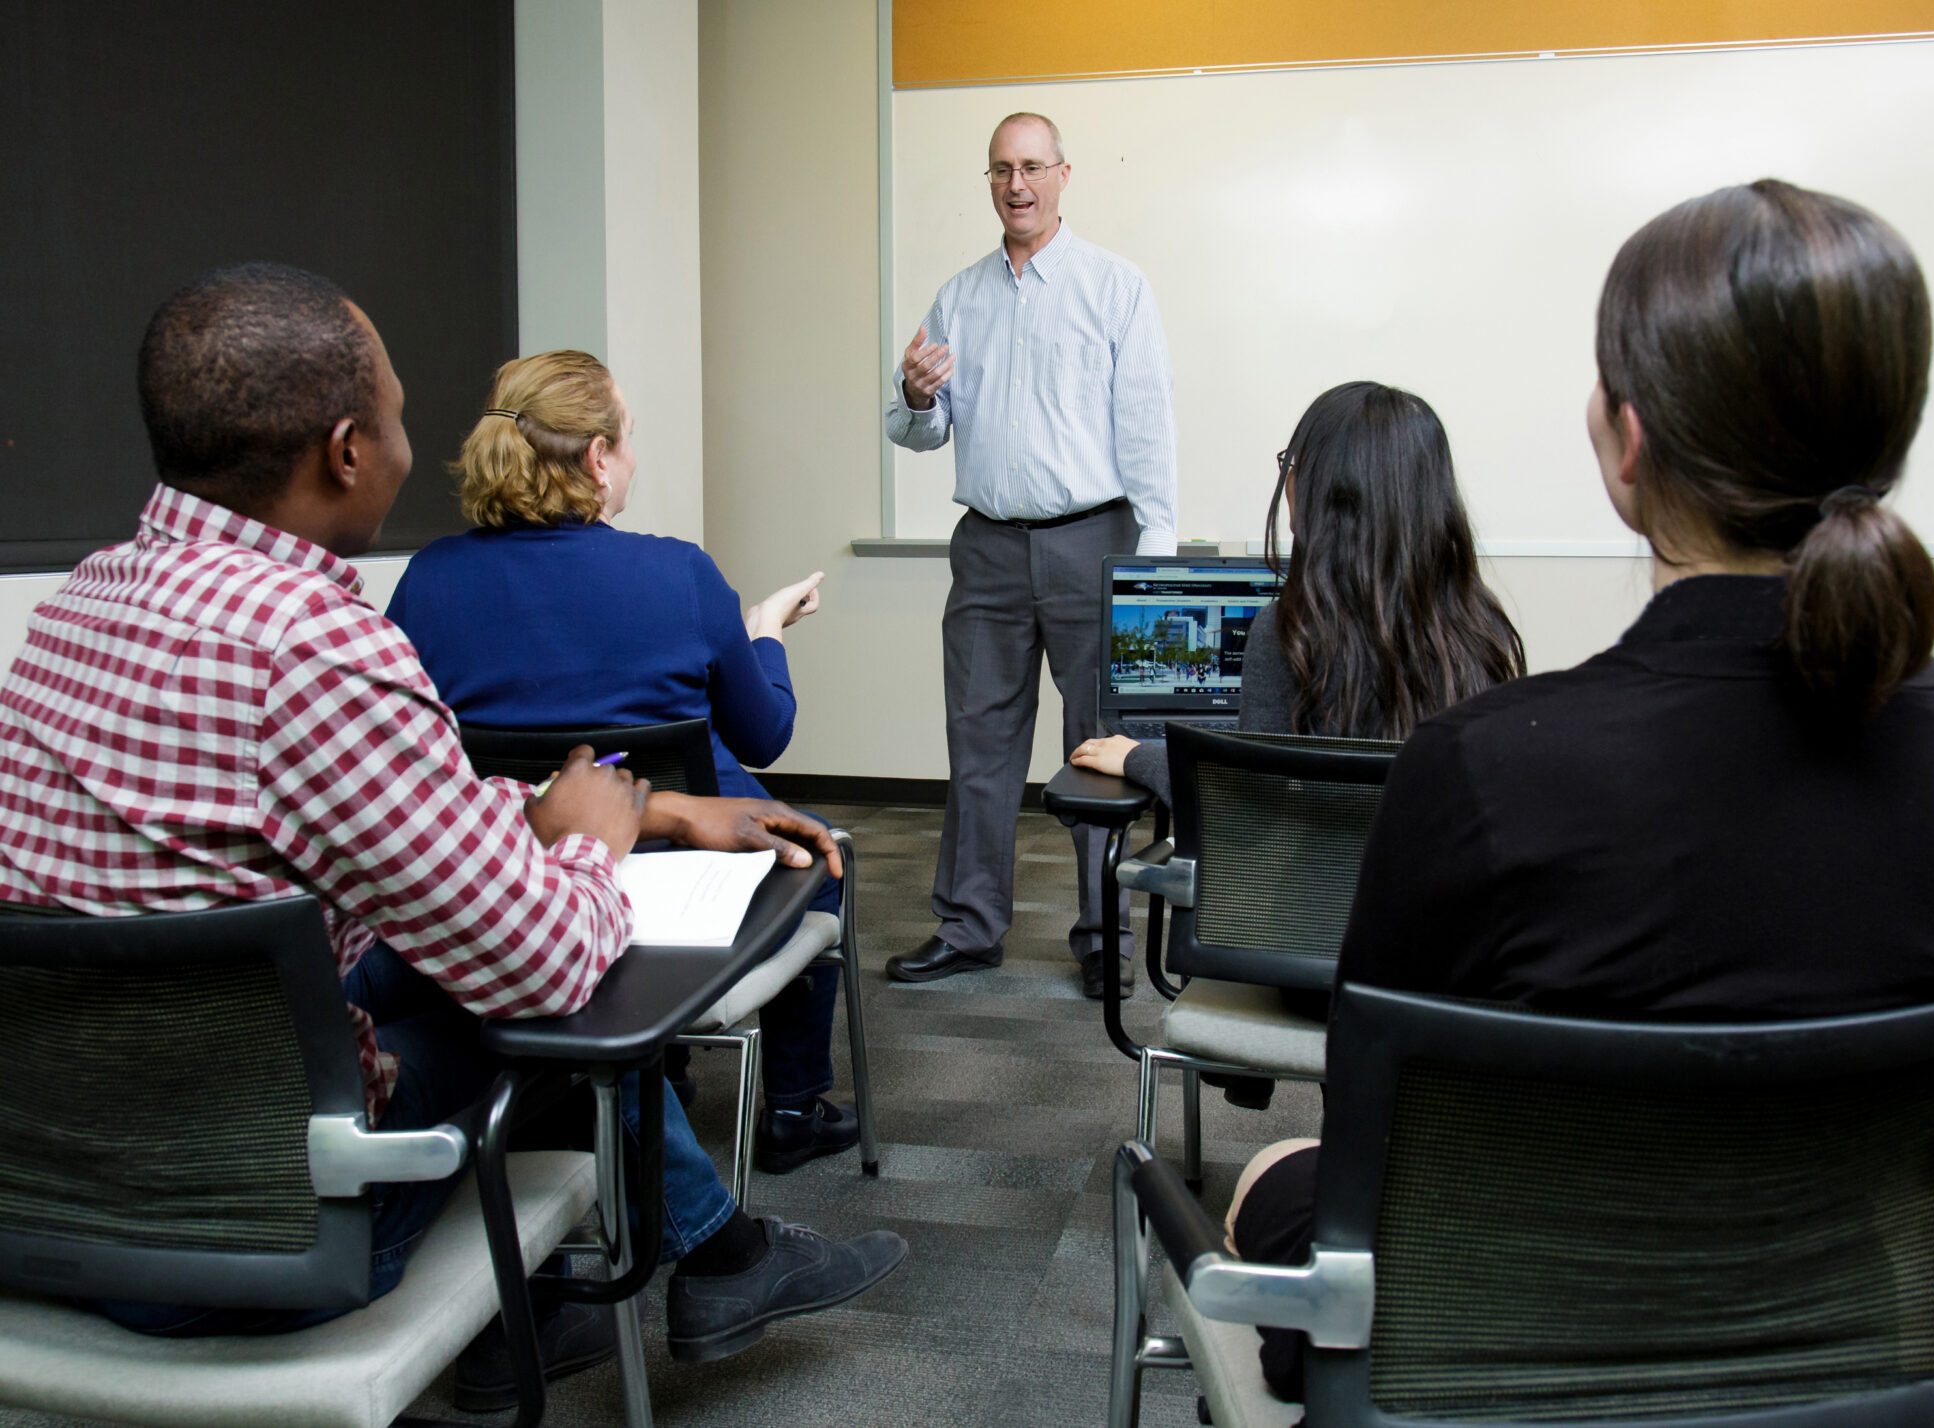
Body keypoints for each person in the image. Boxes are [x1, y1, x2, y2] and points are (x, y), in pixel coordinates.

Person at [0, 264, 904, 1407]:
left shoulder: (79, 606)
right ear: (346, 450)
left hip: (53, 1192)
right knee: (556, 994)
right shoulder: (313, 645)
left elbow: (389, 813)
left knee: (442, 952)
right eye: (395, 414)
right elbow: (540, 960)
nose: (407, 439)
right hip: (260, 1231)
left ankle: (666, 1270)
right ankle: (680, 1267)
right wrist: (592, 849)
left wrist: (652, 806)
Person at [1228, 180, 1934, 1403]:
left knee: (1274, 1177)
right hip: (1860, 1361)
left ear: (1626, 443)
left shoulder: (1482, 775)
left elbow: (1374, 1145)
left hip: (1501, 1364)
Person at [387, 349, 856, 1174]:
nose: (634, 457)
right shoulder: (680, 574)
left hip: (518, 870)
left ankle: (656, 1070)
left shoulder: (428, 581)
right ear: (598, 457)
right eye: (628, 437)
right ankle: (791, 1107)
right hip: (690, 861)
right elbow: (765, 736)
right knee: (818, 855)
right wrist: (765, 633)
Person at [884, 111, 1177, 1001]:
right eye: (1002, 170)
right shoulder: (958, 298)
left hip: (1096, 542)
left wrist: (1151, 564)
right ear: (990, 181)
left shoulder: (1114, 287)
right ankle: (968, 928)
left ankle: (1102, 940)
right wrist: (916, 396)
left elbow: (1148, 430)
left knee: (1100, 749)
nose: (1017, 185)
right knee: (978, 744)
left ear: (1063, 175)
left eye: (1033, 167)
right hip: (989, 552)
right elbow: (915, 430)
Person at [1069, 381, 1525, 803]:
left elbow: (1246, 797)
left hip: (1312, 868)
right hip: (1431, 868)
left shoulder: (1290, 633)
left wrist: (1139, 757)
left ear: (1323, 494)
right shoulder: (1478, 630)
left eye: (1292, 464)